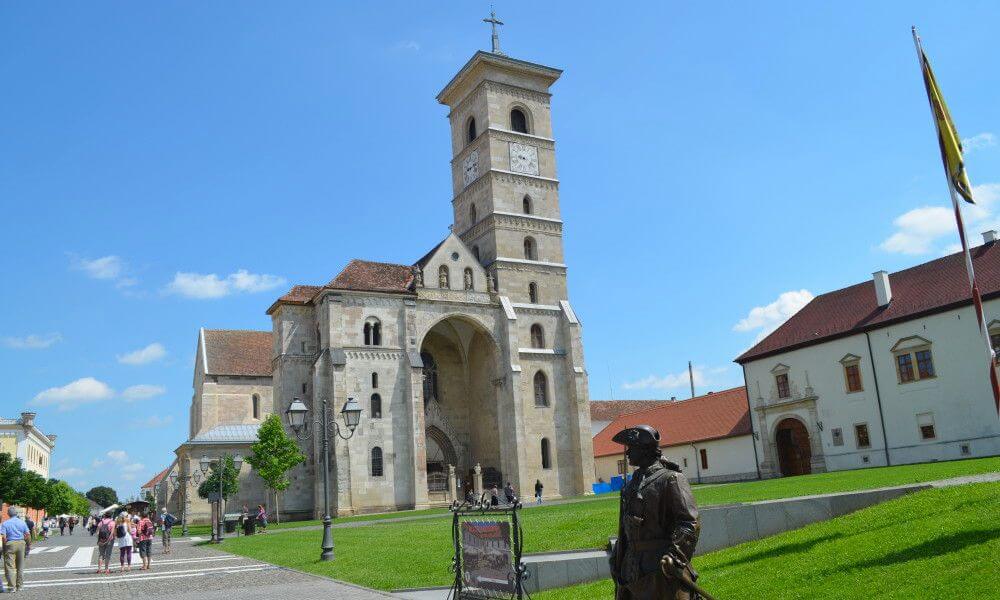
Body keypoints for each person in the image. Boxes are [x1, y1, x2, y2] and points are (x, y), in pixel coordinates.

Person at [609, 425, 701, 600]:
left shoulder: (671, 479)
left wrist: (675, 555)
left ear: (644, 450)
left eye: (631, 448)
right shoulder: (629, 486)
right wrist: (617, 559)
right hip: (631, 570)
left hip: (660, 569)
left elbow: (689, 523)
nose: (627, 453)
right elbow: (624, 528)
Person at [1, 506, 31, 593]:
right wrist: (28, 545)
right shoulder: (22, 522)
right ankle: (20, 585)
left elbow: (3, 537)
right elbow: (27, 534)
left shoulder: (5, 523)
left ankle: (12, 587)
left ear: (8, 514)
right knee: (20, 566)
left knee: (9, 566)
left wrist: (4, 546)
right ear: (16, 514)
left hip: (10, 544)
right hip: (21, 543)